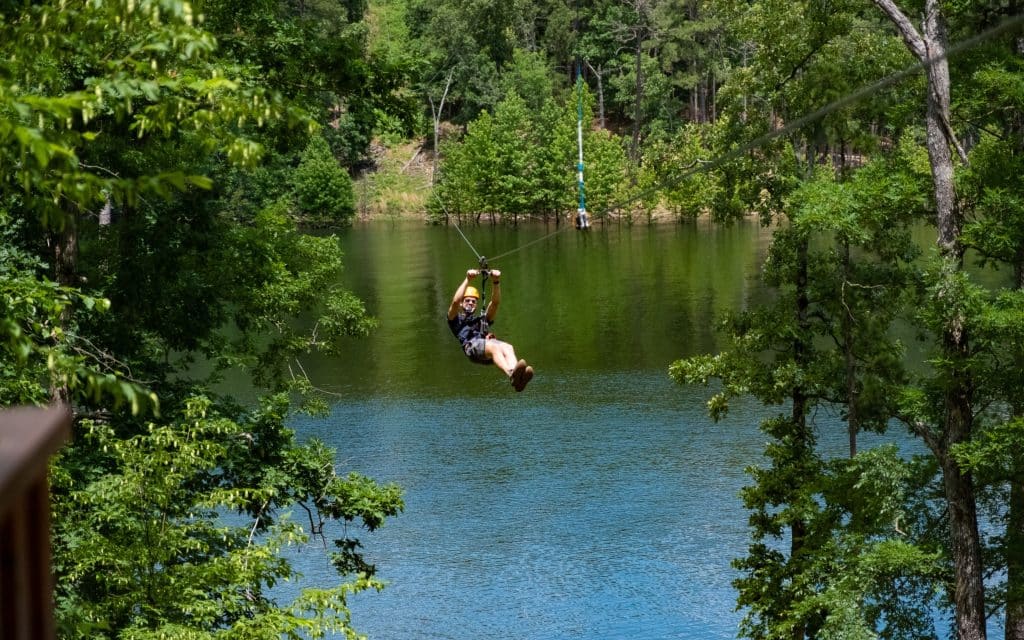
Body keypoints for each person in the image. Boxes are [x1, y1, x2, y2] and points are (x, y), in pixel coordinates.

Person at [447, 268, 534, 392]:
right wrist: (468, 279)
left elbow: (495, 303)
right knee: (494, 346)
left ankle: (518, 377)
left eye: (473, 301)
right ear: (462, 303)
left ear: (476, 304)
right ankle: (511, 375)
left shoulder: (481, 320)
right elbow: (455, 302)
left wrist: (496, 281)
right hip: (472, 348)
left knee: (508, 347)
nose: (470, 303)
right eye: (467, 301)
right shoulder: (455, 319)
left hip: (486, 351)